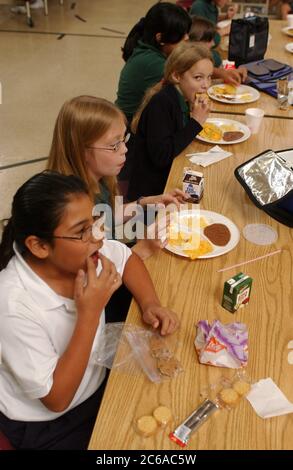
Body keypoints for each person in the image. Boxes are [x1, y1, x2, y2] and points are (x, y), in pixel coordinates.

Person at [0, 171, 179, 450]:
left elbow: (127, 258)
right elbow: (56, 399)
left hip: (93, 383)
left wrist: (150, 303)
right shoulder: (12, 305)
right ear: (39, 245)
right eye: (82, 230)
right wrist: (90, 313)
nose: (98, 236)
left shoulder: (83, 250)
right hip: (47, 421)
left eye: (95, 221)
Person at [47, 95, 187, 261]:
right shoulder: (71, 212)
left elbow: (108, 216)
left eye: (123, 139)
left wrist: (144, 203)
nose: (125, 149)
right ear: (81, 151)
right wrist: (143, 249)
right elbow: (99, 273)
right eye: (114, 145)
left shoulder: (97, 179)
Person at [127, 42, 213, 201]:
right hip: (152, 194)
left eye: (209, 77)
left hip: (170, 175)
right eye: (198, 78)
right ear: (176, 76)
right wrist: (196, 122)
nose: (206, 85)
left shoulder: (184, 96)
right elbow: (162, 156)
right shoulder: (162, 103)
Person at [116, 2, 192, 125]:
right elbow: (189, 82)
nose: (187, 38)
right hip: (129, 129)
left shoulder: (149, 50)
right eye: (181, 35)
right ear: (160, 38)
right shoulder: (154, 63)